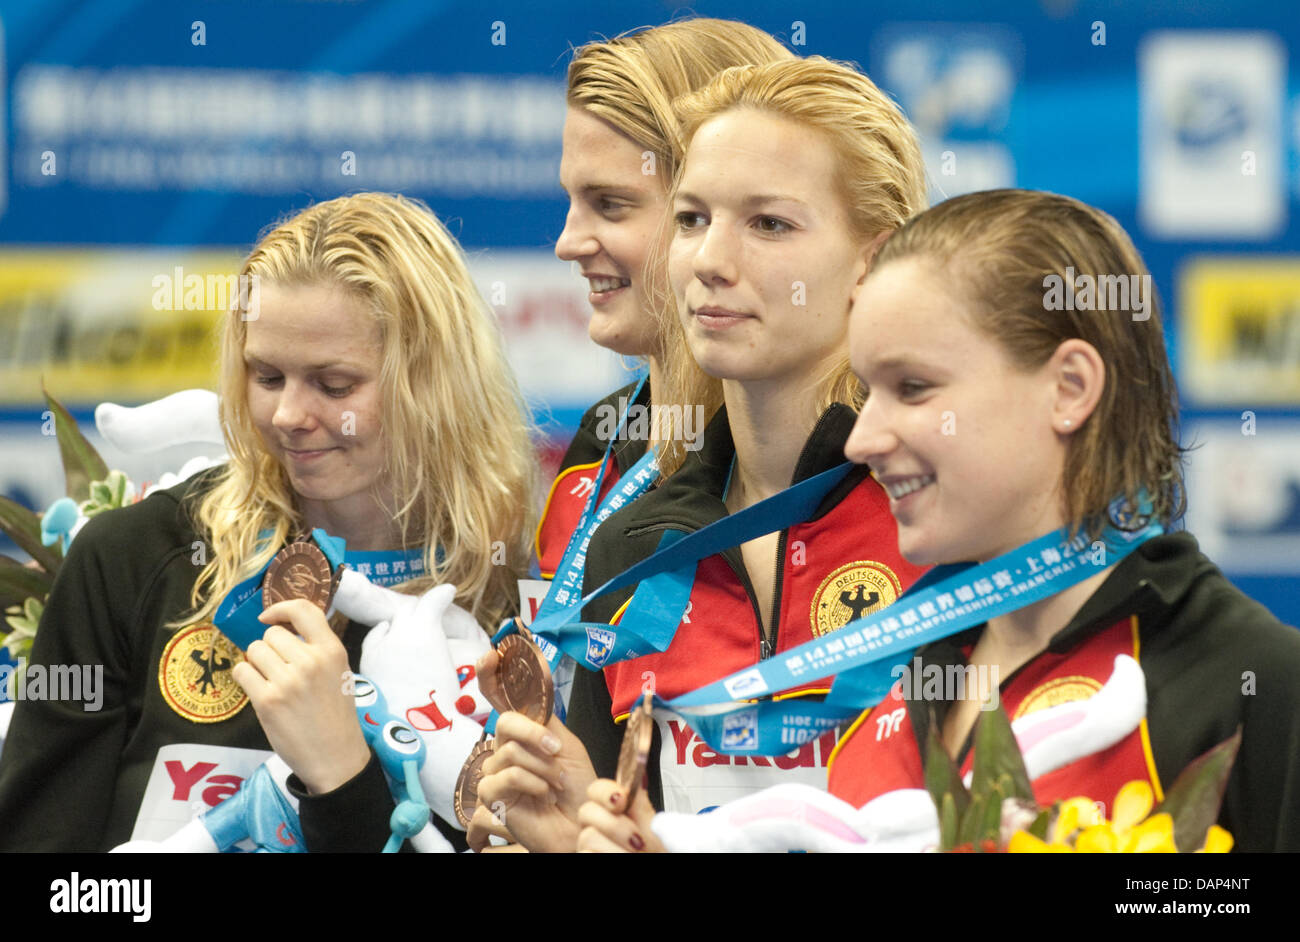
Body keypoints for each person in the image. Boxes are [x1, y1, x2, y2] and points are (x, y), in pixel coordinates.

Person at [471, 56, 931, 852]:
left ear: (873, 262)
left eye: (770, 224)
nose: (710, 261)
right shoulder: (635, 545)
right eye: (690, 219)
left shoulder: (947, 521)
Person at [0, 192, 537, 852]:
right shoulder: (137, 559)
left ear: (433, 382)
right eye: (266, 375)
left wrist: (341, 778)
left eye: (334, 384)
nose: (287, 414)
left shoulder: (508, 592)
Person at [826, 188, 1300, 853]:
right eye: (864, 392)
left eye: (912, 388)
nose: (861, 439)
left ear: (1070, 388)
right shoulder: (889, 669)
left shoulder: (1253, 680)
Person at [536, 18, 793, 576]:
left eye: (610, 204)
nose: (567, 243)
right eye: (572, 201)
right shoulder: (599, 443)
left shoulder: (840, 464)